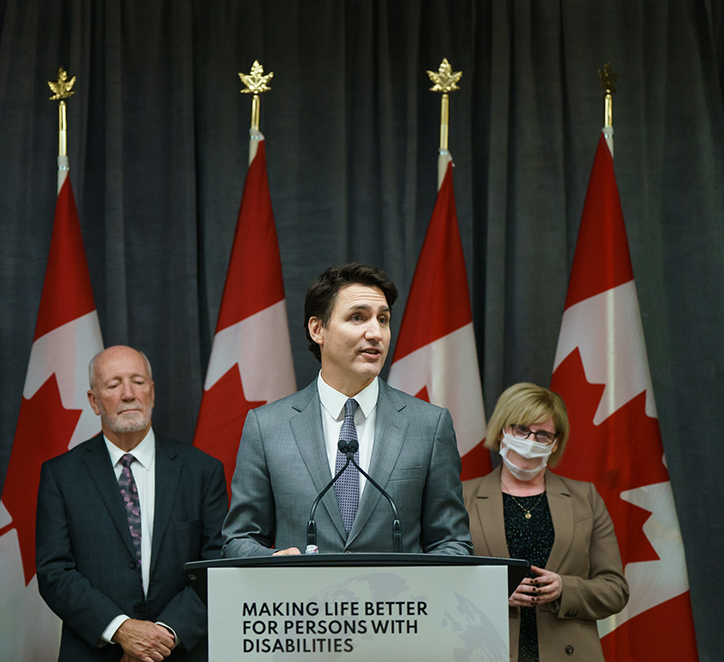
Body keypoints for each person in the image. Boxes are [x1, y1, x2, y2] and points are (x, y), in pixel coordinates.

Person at [222, 262, 472, 556]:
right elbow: (239, 540)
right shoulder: (267, 427)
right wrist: (275, 563)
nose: (376, 332)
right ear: (318, 329)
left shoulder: (429, 426)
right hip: (304, 600)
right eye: (357, 317)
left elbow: (452, 543)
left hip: (397, 600)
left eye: (383, 319)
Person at [36, 345, 227, 662]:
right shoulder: (61, 475)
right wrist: (121, 630)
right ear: (94, 401)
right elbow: (55, 572)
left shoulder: (202, 471)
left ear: (152, 393)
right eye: (113, 385)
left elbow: (215, 567)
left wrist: (163, 635)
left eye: (138, 382)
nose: (128, 394)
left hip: (181, 651)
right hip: (95, 651)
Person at [463, 382, 629, 662]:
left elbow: (615, 590)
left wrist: (566, 588)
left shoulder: (584, 498)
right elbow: (436, 583)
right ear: (502, 430)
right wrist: (493, 593)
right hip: (485, 649)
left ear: (555, 443)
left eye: (542, 435)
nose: (530, 442)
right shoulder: (462, 498)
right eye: (521, 430)